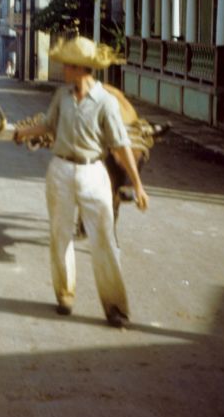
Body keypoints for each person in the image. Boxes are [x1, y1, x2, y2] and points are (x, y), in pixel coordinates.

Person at [12, 36, 149, 328]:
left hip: (92, 173)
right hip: (60, 170)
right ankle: (65, 294)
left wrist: (137, 184)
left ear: (81, 68)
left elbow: (121, 146)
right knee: (60, 235)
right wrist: (22, 132)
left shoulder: (106, 103)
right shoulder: (61, 96)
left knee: (104, 241)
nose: (62, 69)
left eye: (66, 65)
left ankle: (115, 307)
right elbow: (48, 125)